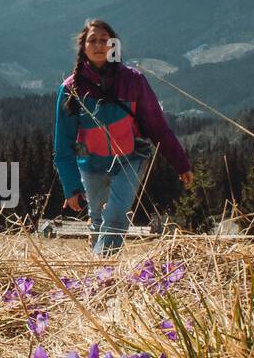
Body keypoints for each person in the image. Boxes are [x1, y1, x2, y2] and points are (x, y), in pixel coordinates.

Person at [53, 19, 193, 255]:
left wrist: (180, 162)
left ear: (113, 45)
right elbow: (63, 142)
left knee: (116, 217)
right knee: (97, 219)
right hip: (91, 163)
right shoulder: (71, 89)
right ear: (83, 47)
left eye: (104, 40)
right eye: (92, 40)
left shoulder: (134, 81)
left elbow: (157, 126)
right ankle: (98, 268)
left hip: (129, 158)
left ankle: (101, 271)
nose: (99, 45)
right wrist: (71, 186)